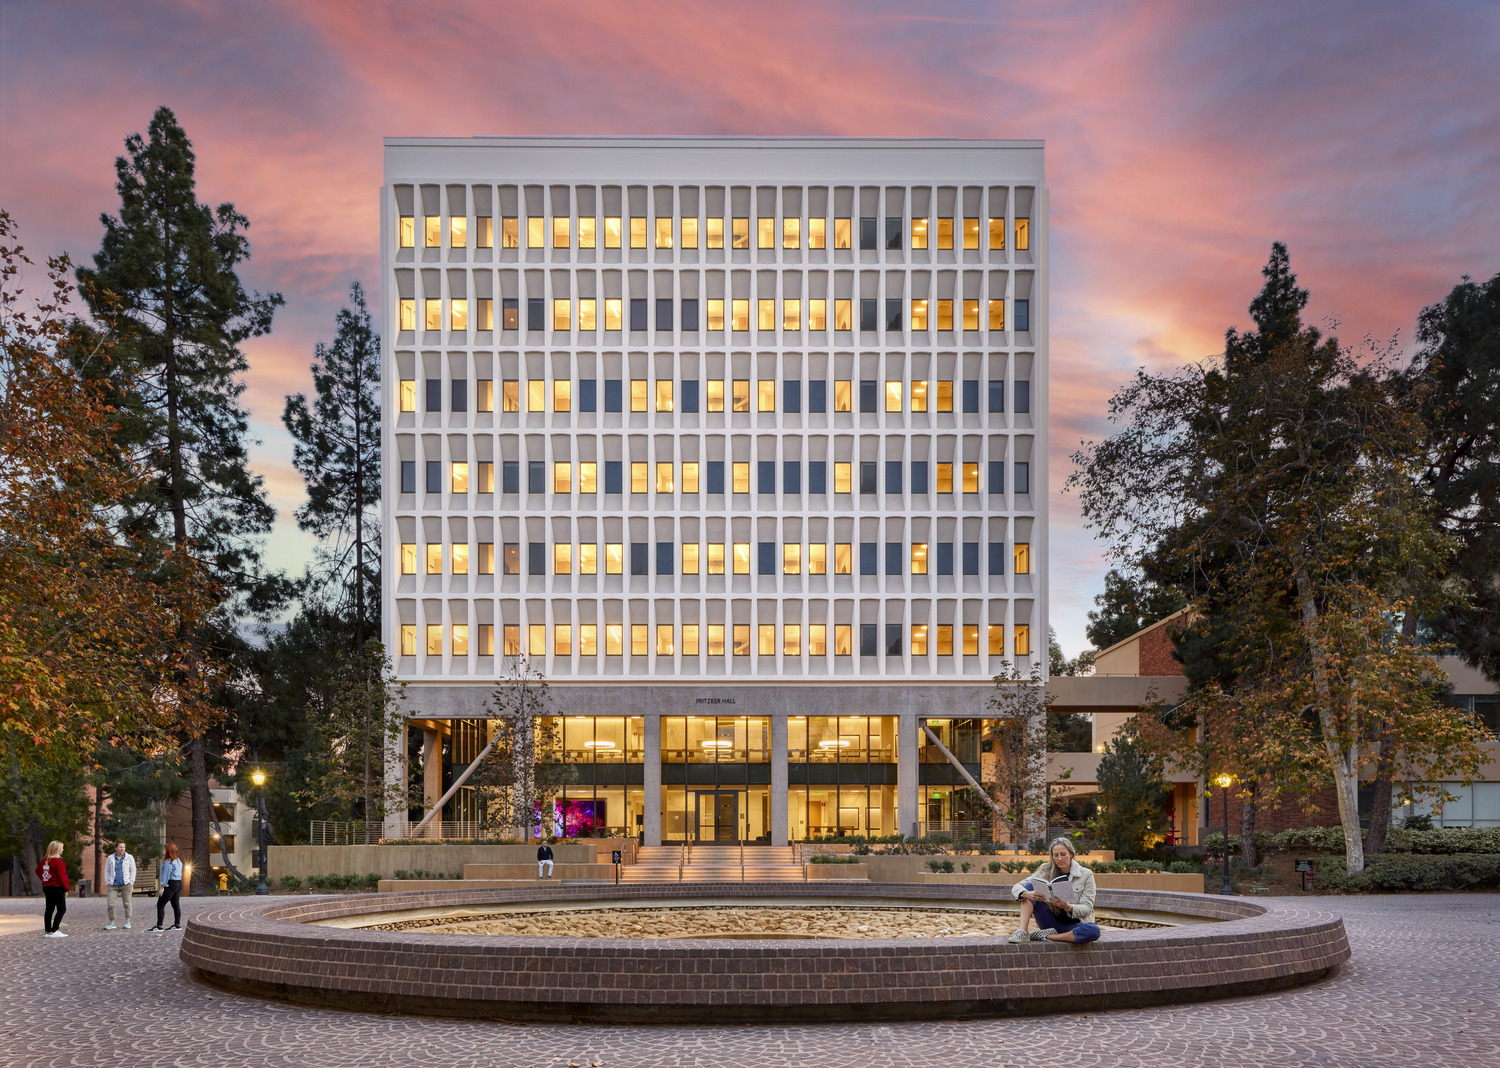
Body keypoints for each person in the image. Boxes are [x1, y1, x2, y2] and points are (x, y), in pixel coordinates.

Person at [1007, 837, 1102, 944]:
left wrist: (1068, 907)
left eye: (1063, 854)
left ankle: (1050, 937)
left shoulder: (1086, 874)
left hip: (1074, 925)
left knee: (1093, 931)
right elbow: (1017, 886)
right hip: (1049, 922)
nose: (1060, 858)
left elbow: (1087, 908)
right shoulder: (1045, 870)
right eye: (1056, 855)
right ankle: (1023, 932)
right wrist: (1026, 893)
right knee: (1029, 887)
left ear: (1071, 854)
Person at [37, 841, 70, 938]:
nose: (63, 850)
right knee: (61, 909)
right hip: (57, 887)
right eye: (62, 848)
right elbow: (62, 877)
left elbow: (38, 871)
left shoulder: (44, 861)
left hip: (47, 887)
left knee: (49, 909)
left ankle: (47, 931)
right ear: (58, 849)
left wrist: (45, 879)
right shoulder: (58, 862)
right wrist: (66, 888)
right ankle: (54, 930)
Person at [149, 843, 183, 932]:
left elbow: (166, 875)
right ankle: (177, 924)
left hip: (170, 884)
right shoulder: (178, 860)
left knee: (160, 904)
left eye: (164, 850)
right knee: (176, 905)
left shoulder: (168, 862)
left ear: (168, 851)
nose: (163, 851)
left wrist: (162, 887)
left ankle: (159, 926)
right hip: (178, 883)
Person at [103, 840, 137, 930]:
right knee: (111, 904)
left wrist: (131, 881)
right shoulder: (110, 858)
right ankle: (112, 922)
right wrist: (107, 881)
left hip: (126, 884)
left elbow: (133, 870)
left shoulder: (129, 858)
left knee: (127, 903)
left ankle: (127, 921)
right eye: (120, 847)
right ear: (116, 848)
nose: (122, 849)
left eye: (123, 847)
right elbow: (106, 870)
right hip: (113, 884)